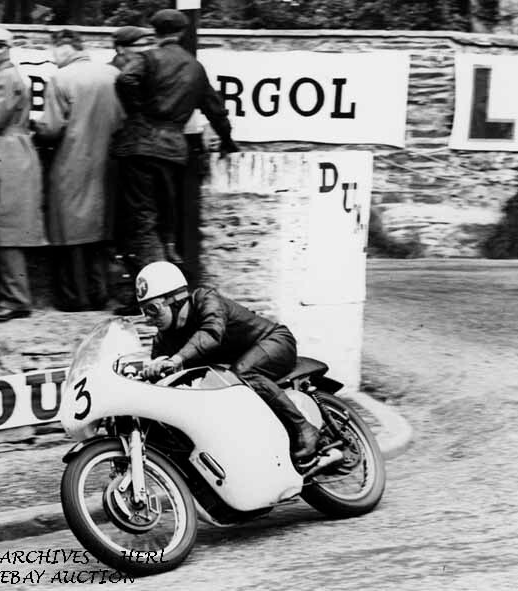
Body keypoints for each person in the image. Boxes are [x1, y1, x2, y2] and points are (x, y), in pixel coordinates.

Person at [113, 9, 239, 312]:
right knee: (164, 222)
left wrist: (139, 111)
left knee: (142, 221)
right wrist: (228, 141)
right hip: (172, 150)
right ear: (181, 32)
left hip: (139, 146)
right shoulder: (195, 68)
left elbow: (125, 79)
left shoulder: (147, 58)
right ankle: (161, 290)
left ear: (155, 31)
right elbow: (216, 109)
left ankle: (155, 297)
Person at [138, 261, 320, 460]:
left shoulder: (206, 300)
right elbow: (162, 375)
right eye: (144, 311)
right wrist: (152, 370)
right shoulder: (164, 337)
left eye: (153, 309)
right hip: (240, 362)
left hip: (274, 342)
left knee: (242, 374)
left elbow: (211, 333)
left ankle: (305, 428)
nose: (148, 318)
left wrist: (176, 359)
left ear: (176, 299)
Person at [34, 29, 123, 312]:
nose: (52, 58)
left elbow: (51, 128)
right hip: (108, 162)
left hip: (70, 163)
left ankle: (75, 297)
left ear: (64, 48)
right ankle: (100, 293)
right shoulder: (112, 74)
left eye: (53, 51)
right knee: (99, 230)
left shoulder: (60, 78)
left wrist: (35, 128)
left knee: (68, 230)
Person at [0, 26, 46, 322]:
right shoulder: (5, 75)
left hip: (8, 155)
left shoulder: (4, 77)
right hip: (11, 153)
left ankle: (16, 299)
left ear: (2, 49)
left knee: (6, 229)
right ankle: (1, 294)